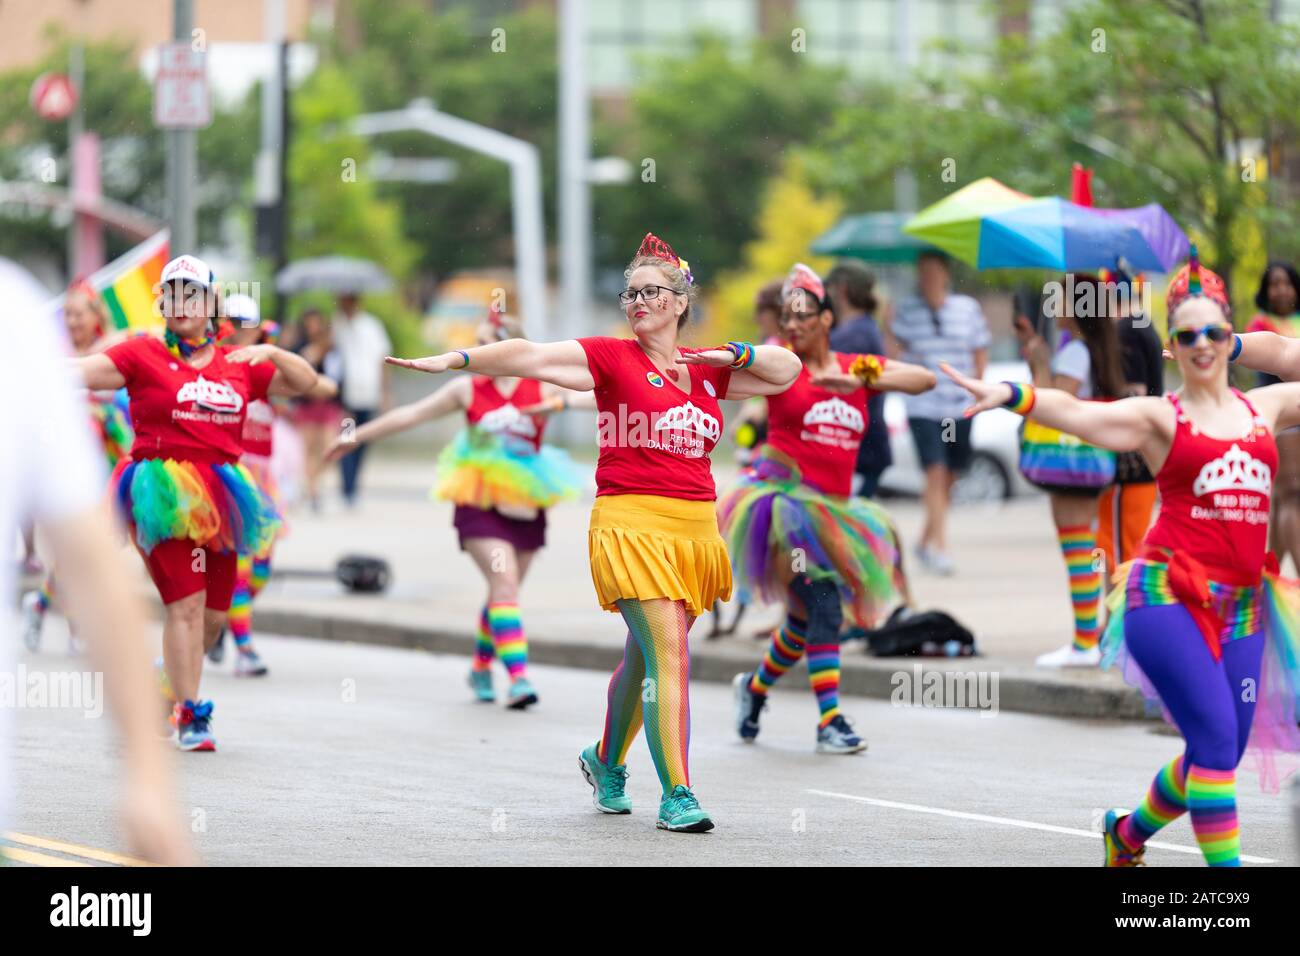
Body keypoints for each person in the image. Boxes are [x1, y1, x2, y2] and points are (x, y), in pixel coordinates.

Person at [388, 232, 801, 832]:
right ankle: (678, 794)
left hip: (693, 529)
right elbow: (529, 354)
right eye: (629, 293)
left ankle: (605, 759)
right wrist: (455, 361)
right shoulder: (610, 357)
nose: (637, 302)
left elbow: (785, 371)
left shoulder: (706, 369)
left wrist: (735, 353)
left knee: (645, 659)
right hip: (630, 523)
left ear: (682, 301)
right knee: (670, 654)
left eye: (651, 291)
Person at [943, 250, 1300, 868]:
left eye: (1212, 331)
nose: (1201, 345)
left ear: (1228, 334)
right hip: (1166, 597)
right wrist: (1009, 391)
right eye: (1186, 334)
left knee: (1219, 749)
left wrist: (1241, 342)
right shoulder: (1159, 418)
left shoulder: (1261, 409)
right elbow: (1079, 414)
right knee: (1215, 746)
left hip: (1244, 605)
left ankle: (1126, 834)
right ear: (1173, 344)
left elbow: (1290, 358)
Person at [73, 255, 319, 752]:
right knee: (184, 606)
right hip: (161, 493)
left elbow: (306, 382)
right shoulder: (140, 354)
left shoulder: (238, 363)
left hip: (225, 496)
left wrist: (268, 351)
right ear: (162, 303)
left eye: (193, 294)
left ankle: (164, 684)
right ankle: (191, 715)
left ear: (211, 304)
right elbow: (77, 371)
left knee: (211, 618)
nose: (182, 303)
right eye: (173, 295)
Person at [0, 257, 194, 864]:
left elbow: (92, 562)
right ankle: (40, 596)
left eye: (86, 313)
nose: (80, 320)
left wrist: (148, 775)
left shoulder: (17, 319)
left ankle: (44, 598)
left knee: (77, 552)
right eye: (76, 313)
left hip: (77, 462)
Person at [722, 264, 934, 753]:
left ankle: (753, 690)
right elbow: (728, 369)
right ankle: (830, 720)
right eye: (786, 317)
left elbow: (921, 380)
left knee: (803, 621)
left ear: (827, 318)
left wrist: (856, 376)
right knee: (823, 606)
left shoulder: (856, 367)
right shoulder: (780, 366)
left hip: (839, 517)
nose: (792, 325)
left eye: (803, 315)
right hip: (784, 510)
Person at [326, 309, 584, 709]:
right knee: (506, 583)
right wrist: (355, 437)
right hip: (477, 499)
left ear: (506, 347)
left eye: (483, 344)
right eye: (474, 345)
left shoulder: (543, 386)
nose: (475, 352)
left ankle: (480, 667)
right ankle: (518, 677)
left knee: (504, 589)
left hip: (528, 500)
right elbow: (410, 415)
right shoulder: (466, 390)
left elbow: (599, 392)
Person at [1016, 275, 1129, 669]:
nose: (1056, 305)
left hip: (1070, 460)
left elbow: (1053, 406)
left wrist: (1039, 365)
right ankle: (1089, 637)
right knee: (1084, 546)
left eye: (1061, 299)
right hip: (1091, 459)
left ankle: (1084, 642)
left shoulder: (1076, 352)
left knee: (1076, 548)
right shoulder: (1092, 348)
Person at [22, 278, 133, 652]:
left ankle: (39, 604)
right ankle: (76, 628)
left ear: (95, 314)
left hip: (110, 456)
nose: (72, 321)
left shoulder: (112, 347)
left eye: (78, 313)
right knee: (74, 541)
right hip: (71, 456)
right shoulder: (54, 350)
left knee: (91, 543)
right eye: (66, 314)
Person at [889, 249, 991, 574]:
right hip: (923, 405)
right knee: (934, 470)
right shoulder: (907, 311)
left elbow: (979, 352)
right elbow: (894, 354)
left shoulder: (967, 309)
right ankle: (941, 547)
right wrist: (886, 325)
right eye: (922, 272)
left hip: (958, 406)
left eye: (932, 271)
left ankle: (923, 540)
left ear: (945, 273)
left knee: (950, 474)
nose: (927, 277)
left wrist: (978, 390)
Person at [1098, 270, 1163, 575]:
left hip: (1129, 462)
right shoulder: (1141, 325)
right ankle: (1115, 618)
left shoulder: (1128, 332)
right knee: (1123, 546)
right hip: (1140, 460)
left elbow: (1134, 393)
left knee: (1117, 550)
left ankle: (1116, 620)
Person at [1245, 261, 1300, 573]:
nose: (1281, 289)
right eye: (1274, 284)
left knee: (1283, 499)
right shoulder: (1259, 325)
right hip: (1283, 421)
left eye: (1287, 283)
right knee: (1291, 495)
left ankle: (1270, 577)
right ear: (1265, 291)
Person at [827, 260, 893, 498]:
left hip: (861, 449)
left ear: (842, 289)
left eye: (830, 287)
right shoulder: (862, 328)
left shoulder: (854, 335)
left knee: (847, 529)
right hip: (864, 446)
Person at [333, 291, 392, 507]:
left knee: (364, 440)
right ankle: (347, 488)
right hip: (346, 397)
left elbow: (382, 360)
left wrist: (386, 392)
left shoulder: (371, 326)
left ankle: (354, 484)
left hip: (368, 392)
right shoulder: (336, 327)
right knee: (348, 440)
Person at [289, 307, 344, 511]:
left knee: (331, 449)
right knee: (309, 450)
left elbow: (338, 378)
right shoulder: (299, 348)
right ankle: (313, 491)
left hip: (328, 404)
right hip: (307, 404)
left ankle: (312, 481)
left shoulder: (331, 348)